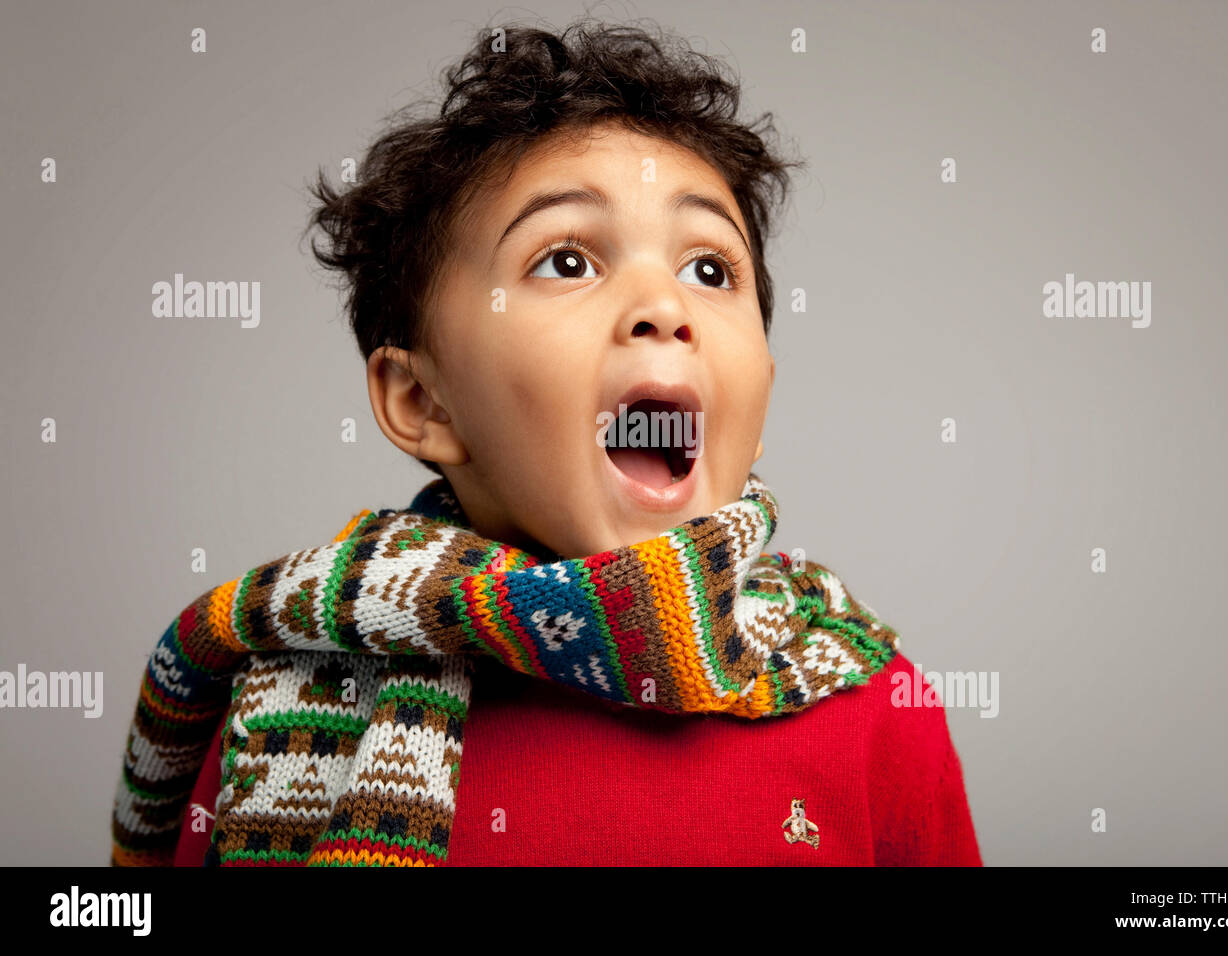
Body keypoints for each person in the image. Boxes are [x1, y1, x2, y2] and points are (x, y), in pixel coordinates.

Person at [114, 17, 981, 867]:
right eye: (567, 261)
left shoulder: (870, 708)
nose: (664, 308)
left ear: (759, 398)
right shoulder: (293, 699)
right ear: (424, 401)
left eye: (710, 269)